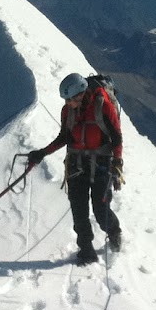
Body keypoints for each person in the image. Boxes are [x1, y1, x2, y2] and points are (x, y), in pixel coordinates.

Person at [24, 72, 123, 265]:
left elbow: (116, 137)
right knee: (79, 210)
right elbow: (65, 137)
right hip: (76, 164)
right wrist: (42, 153)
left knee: (101, 209)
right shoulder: (67, 111)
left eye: (70, 99)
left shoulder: (102, 105)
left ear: (82, 93)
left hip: (102, 164)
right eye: (66, 100)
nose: (68, 103)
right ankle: (86, 250)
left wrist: (117, 163)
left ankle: (113, 230)